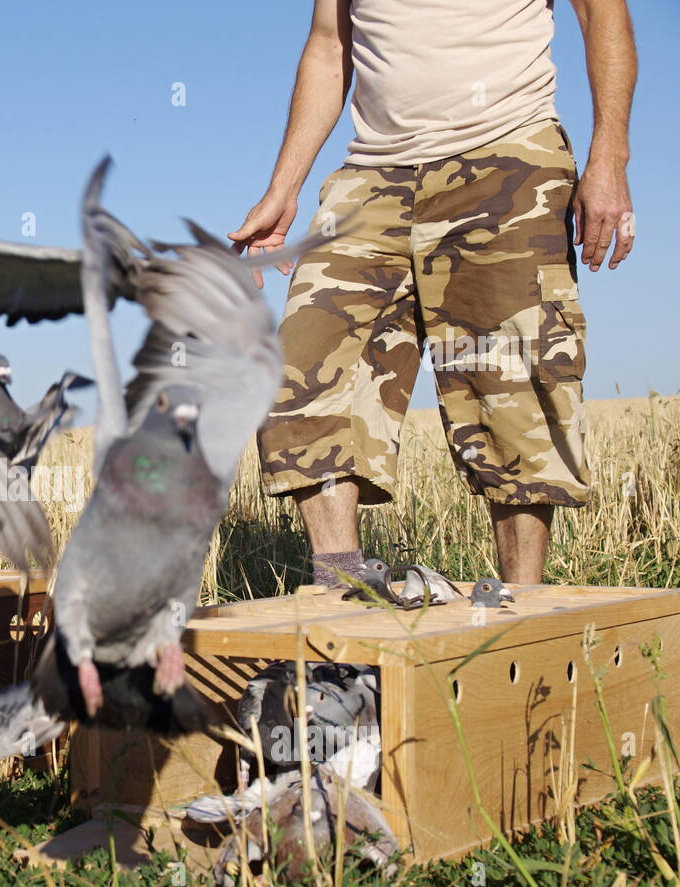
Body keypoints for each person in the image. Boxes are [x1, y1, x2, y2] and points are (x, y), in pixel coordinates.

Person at [229, 0, 636, 587]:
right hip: (373, 171)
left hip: (506, 150)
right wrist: (283, 187)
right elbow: (328, 45)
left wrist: (610, 154)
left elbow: (604, 15)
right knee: (307, 364)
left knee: (510, 383)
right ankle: (342, 593)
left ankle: (519, 614)